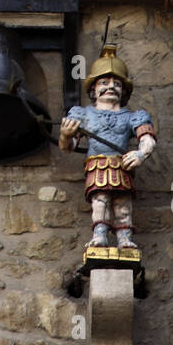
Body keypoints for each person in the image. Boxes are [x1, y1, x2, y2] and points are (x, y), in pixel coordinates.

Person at [59, 44, 156, 250]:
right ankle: (100, 235)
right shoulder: (83, 114)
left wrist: (141, 154)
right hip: (98, 165)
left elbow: (147, 139)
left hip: (123, 165)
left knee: (123, 206)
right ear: (94, 88)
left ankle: (124, 237)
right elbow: (68, 147)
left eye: (117, 83)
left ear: (124, 90)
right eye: (104, 82)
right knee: (100, 202)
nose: (110, 87)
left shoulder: (133, 116)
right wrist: (66, 135)